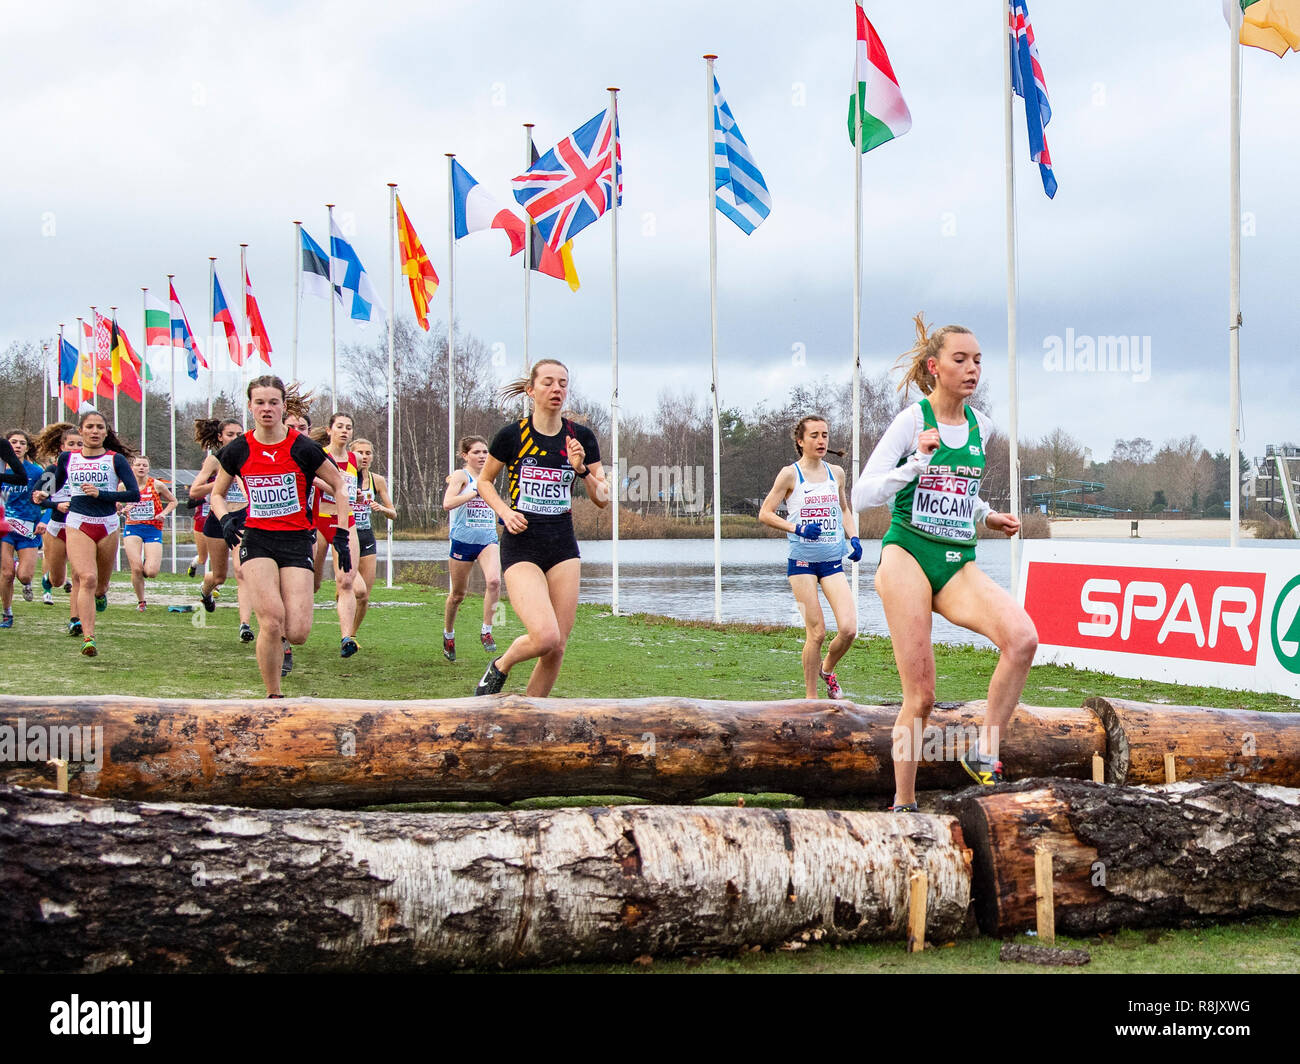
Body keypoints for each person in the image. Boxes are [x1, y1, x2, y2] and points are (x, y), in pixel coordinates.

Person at [852, 315, 1037, 813]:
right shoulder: (913, 421)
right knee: (923, 696)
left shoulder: (983, 426)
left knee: (1022, 640)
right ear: (935, 367)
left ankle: (984, 752)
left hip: (956, 562)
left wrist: (987, 514)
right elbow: (863, 491)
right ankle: (904, 805)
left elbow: (960, 490)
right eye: (961, 360)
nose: (973, 369)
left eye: (978, 360)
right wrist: (914, 462)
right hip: (907, 554)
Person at [472, 359, 608, 697]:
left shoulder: (580, 438)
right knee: (545, 636)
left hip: (562, 545)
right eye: (548, 382)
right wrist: (504, 512)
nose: (557, 389)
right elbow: (485, 482)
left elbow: (603, 497)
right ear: (531, 390)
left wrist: (581, 471)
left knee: (557, 647)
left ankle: (534, 720)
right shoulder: (512, 435)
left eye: (563, 382)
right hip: (522, 543)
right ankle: (501, 664)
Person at [210, 375, 347, 698]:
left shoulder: (303, 447)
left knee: (297, 631)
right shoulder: (239, 448)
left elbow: (339, 484)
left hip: (297, 540)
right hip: (257, 540)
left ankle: (283, 646)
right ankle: (273, 696)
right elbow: (217, 494)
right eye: (260, 402)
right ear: (250, 406)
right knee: (271, 621)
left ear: (284, 407)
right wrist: (226, 519)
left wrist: (341, 531)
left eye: (273, 402)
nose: (267, 408)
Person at [758, 416, 861, 700]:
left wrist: (853, 536)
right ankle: (810, 699)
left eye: (825, 435)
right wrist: (797, 528)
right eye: (814, 435)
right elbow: (765, 513)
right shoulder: (790, 474)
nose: (821, 440)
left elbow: (844, 509)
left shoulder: (836, 473)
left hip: (832, 562)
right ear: (801, 441)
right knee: (816, 633)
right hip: (801, 564)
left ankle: (827, 669)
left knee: (849, 629)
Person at [34, 410, 139, 657]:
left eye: (100, 427)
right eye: (90, 427)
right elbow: (56, 483)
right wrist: (43, 494)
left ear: (105, 432)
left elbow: (133, 494)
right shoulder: (67, 459)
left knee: (100, 586)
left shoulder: (116, 460)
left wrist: (102, 494)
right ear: (80, 431)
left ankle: (101, 596)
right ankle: (88, 637)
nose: (95, 431)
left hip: (107, 525)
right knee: (87, 578)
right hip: (77, 522)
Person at [440, 436, 503, 662]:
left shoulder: (489, 477)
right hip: (463, 540)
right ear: (465, 455)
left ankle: (487, 631)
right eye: (477, 452)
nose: (483, 456)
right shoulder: (460, 475)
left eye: (485, 452)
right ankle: (449, 634)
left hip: (487, 538)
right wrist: (475, 492)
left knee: (494, 581)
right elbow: (447, 503)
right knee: (458, 595)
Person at [190, 419, 253, 640]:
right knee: (219, 576)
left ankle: (245, 624)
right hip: (218, 519)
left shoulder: (249, 457)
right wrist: (221, 482)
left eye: (239, 434)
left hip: (243, 518)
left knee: (241, 571)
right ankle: (205, 593)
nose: (235, 438)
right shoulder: (214, 460)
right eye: (230, 434)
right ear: (220, 437)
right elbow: (195, 491)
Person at [310, 413, 365, 658]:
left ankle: (346, 637)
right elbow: (311, 480)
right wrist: (336, 487)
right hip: (320, 520)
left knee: (346, 581)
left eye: (349, 427)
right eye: (340, 427)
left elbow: (356, 489)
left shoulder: (354, 458)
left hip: (346, 521)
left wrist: (358, 495)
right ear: (329, 430)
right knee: (312, 583)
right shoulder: (320, 454)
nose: (344, 431)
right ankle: (286, 631)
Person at [1, 431, 50, 627]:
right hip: (5, 529)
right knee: (6, 574)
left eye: (22, 443)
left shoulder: (37, 472)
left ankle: (25, 579)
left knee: (24, 575)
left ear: (28, 448)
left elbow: (50, 499)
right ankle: (7, 613)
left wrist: (44, 519)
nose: (17, 446)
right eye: (13, 442)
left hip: (28, 529)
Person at [118, 455, 177, 611]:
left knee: (151, 572)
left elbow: (174, 501)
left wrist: (164, 513)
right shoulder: (124, 486)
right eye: (138, 465)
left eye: (144, 465)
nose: (141, 468)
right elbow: (116, 505)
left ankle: (146, 566)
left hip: (153, 529)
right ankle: (141, 601)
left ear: (148, 468)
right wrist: (122, 510)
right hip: (133, 528)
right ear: (132, 468)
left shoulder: (156, 485)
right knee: (136, 568)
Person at [351, 438, 396, 638]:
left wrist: (381, 508)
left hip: (366, 535)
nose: (364, 457)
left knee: (364, 596)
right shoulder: (343, 476)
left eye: (368, 453)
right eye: (360, 452)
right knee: (352, 589)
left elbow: (393, 513)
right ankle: (343, 605)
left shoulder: (377, 480)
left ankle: (350, 635)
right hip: (346, 534)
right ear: (351, 454)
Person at [33, 424, 80, 607]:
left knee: (80, 574)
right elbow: (37, 498)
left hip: (81, 526)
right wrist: (56, 505)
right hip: (57, 526)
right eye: (71, 444)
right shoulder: (53, 471)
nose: (75, 448)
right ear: (62, 447)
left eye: (79, 444)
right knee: (58, 580)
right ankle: (48, 578)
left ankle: (77, 617)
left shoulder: (89, 471)